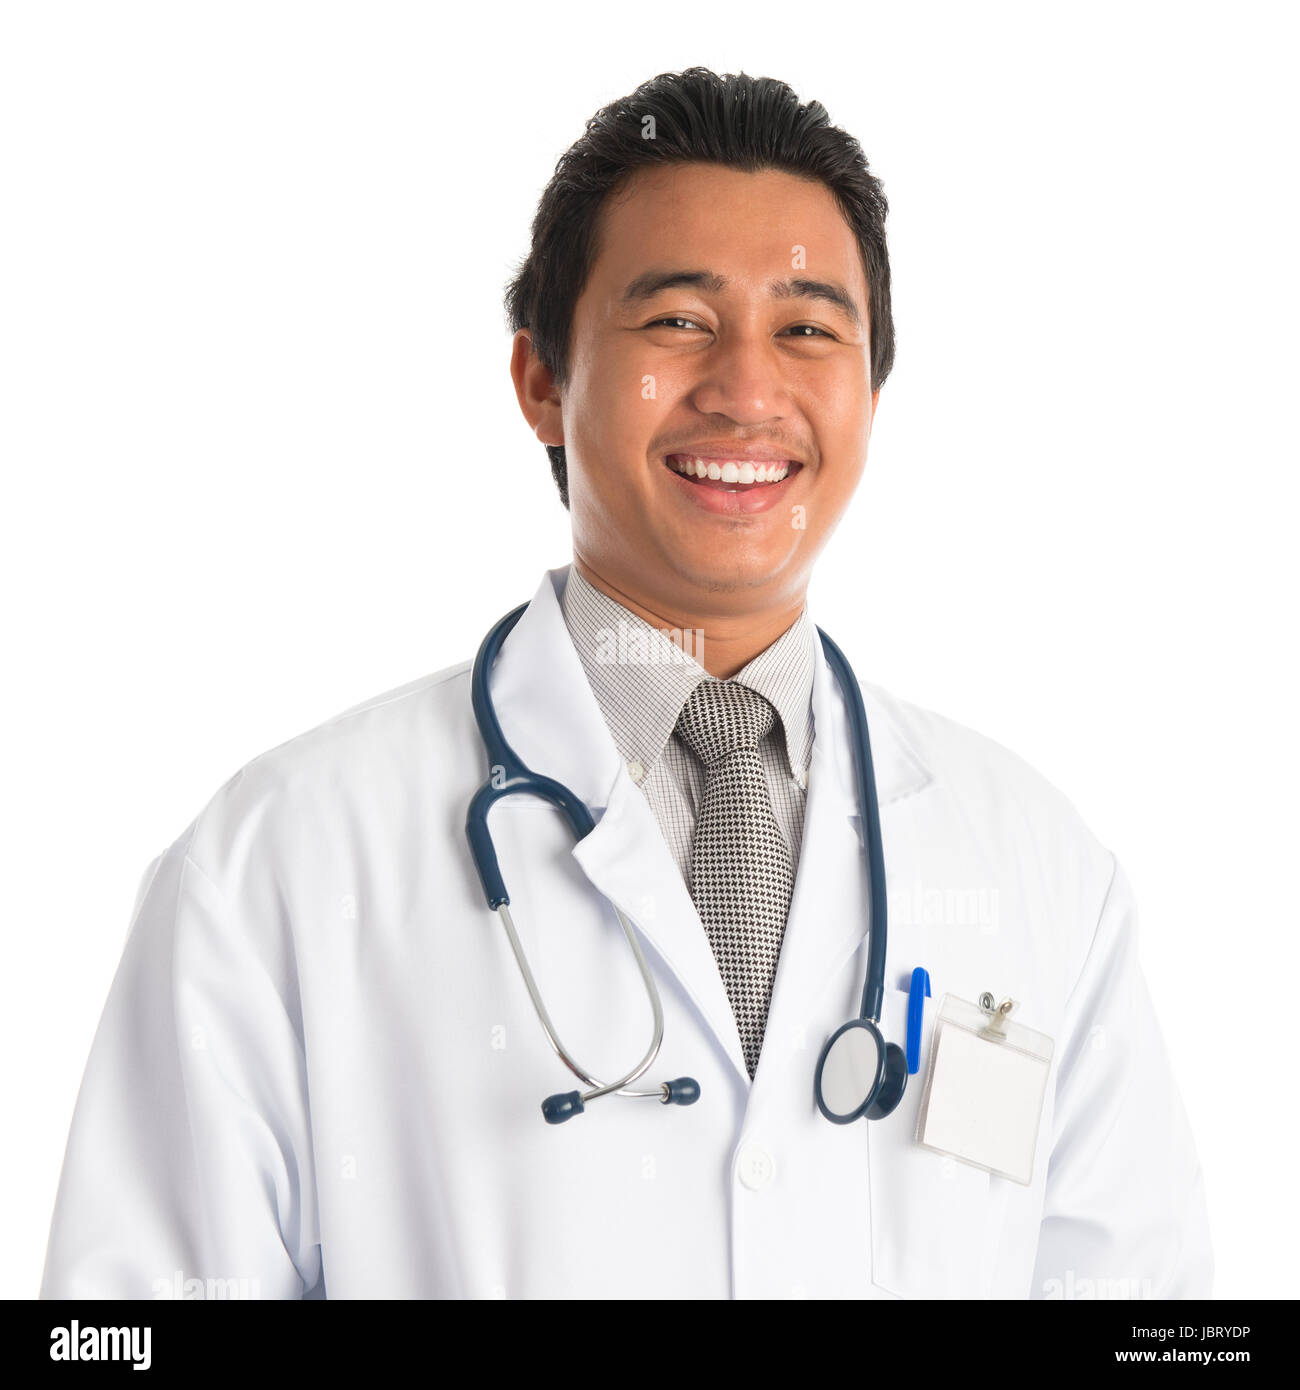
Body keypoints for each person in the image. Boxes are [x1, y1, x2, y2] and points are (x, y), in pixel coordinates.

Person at [40, 66, 1211, 1300]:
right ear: (541, 382)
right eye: (677, 322)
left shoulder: (1039, 870)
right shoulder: (278, 864)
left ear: (869, 392)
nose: (748, 390)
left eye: (809, 328)